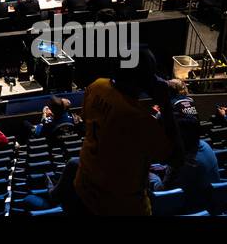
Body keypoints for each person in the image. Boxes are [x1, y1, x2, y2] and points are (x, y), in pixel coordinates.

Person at [71, 50, 180, 215]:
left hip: (84, 191)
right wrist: (165, 103)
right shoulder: (142, 121)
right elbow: (177, 157)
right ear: (146, 80)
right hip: (122, 206)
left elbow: (86, 119)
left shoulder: (96, 86)